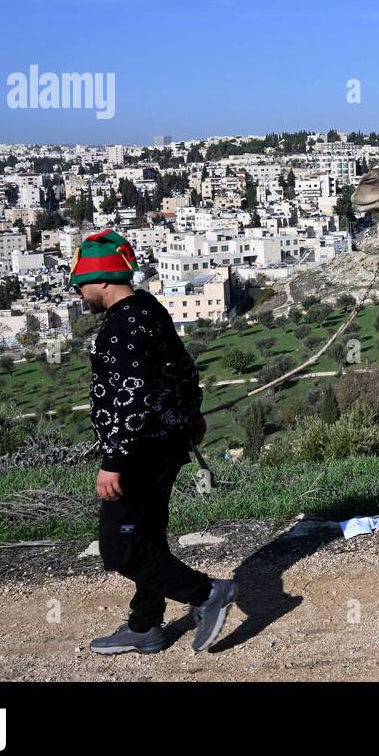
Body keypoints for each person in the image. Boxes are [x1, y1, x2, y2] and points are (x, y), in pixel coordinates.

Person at [70, 229, 237, 655]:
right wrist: (192, 412)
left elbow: (131, 396)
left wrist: (114, 459)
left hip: (140, 453)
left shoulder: (124, 323)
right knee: (148, 539)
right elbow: (182, 368)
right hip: (165, 444)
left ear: (102, 279)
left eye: (81, 284)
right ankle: (145, 625)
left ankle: (207, 594)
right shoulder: (149, 308)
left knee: (121, 550)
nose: (79, 293)